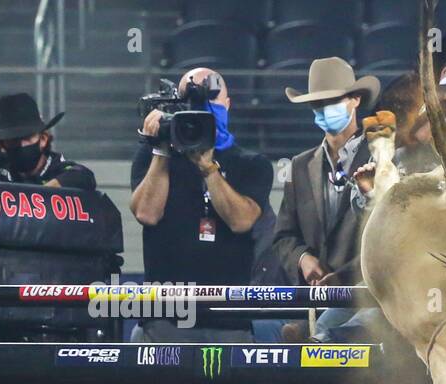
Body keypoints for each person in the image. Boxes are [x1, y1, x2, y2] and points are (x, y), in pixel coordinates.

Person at [130, 68, 274, 342]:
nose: (203, 108)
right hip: (164, 319)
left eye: (213, 99)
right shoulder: (153, 155)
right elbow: (147, 214)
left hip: (228, 320)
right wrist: (161, 150)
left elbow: (242, 221)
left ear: (228, 105)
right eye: (192, 100)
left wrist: (208, 169)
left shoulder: (252, 164)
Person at [272, 58, 383, 345]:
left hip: (372, 295)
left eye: (332, 101)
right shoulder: (300, 166)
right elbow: (284, 235)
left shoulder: (383, 158)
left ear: (356, 100)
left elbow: (390, 233)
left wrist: (343, 276)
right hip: (316, 301)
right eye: (316, 105)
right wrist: (302, 258)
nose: (323, 112)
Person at [0, 93, 94, 190]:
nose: (21, 145)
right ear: (2, 145)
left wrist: (43, 192)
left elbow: (84, 175)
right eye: (13, 140)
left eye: (27, 138)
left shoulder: (55, 166)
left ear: (43, 139)